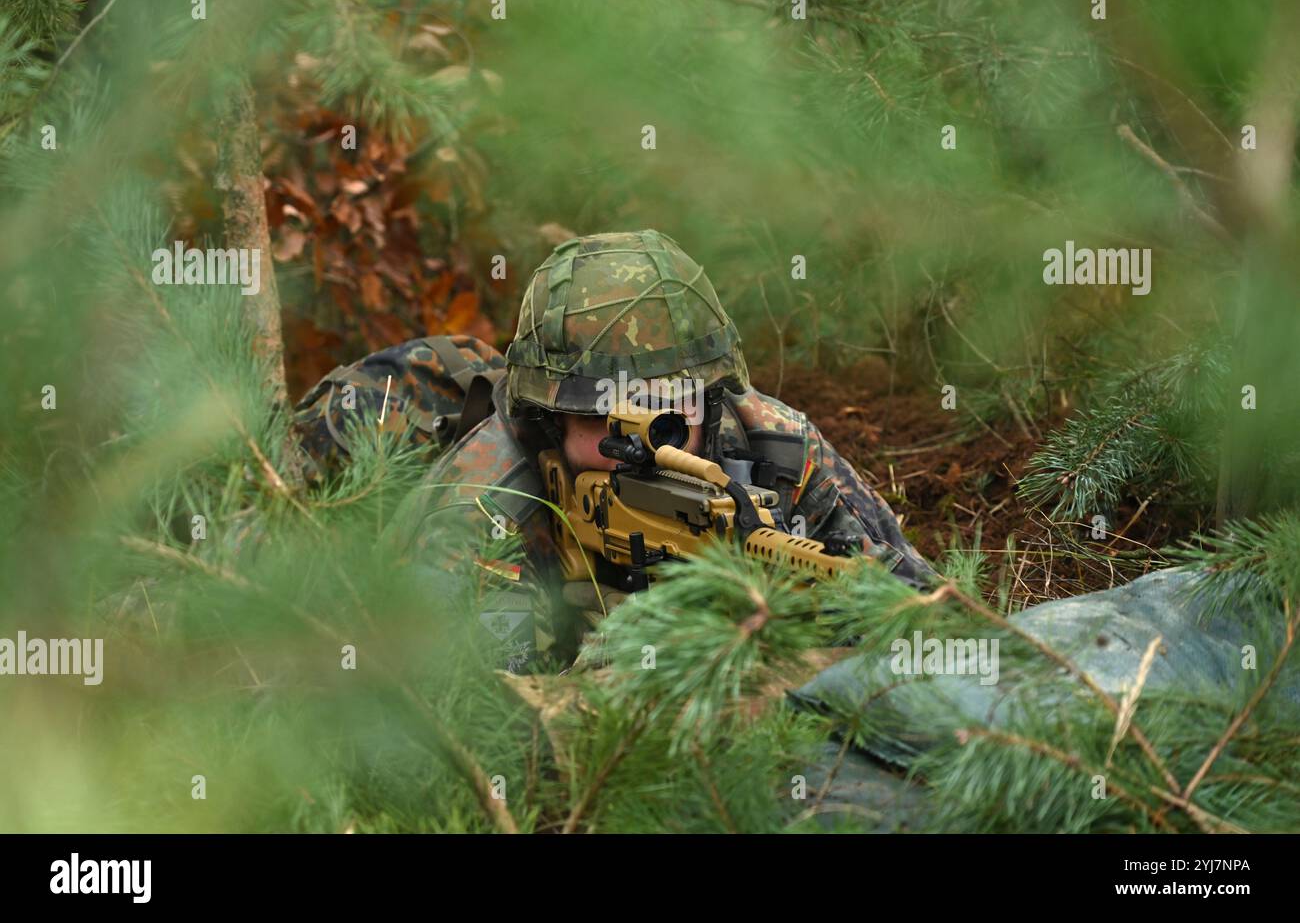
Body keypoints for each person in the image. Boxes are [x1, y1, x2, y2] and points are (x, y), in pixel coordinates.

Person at [296, 229, 935, 670]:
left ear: (711, 402)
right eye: (605, 422)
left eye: (669, 414)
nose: (644, 448)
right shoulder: (482, 514)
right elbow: (449, 752)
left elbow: (926, 621)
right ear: (546, 425)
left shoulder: (774, 450)